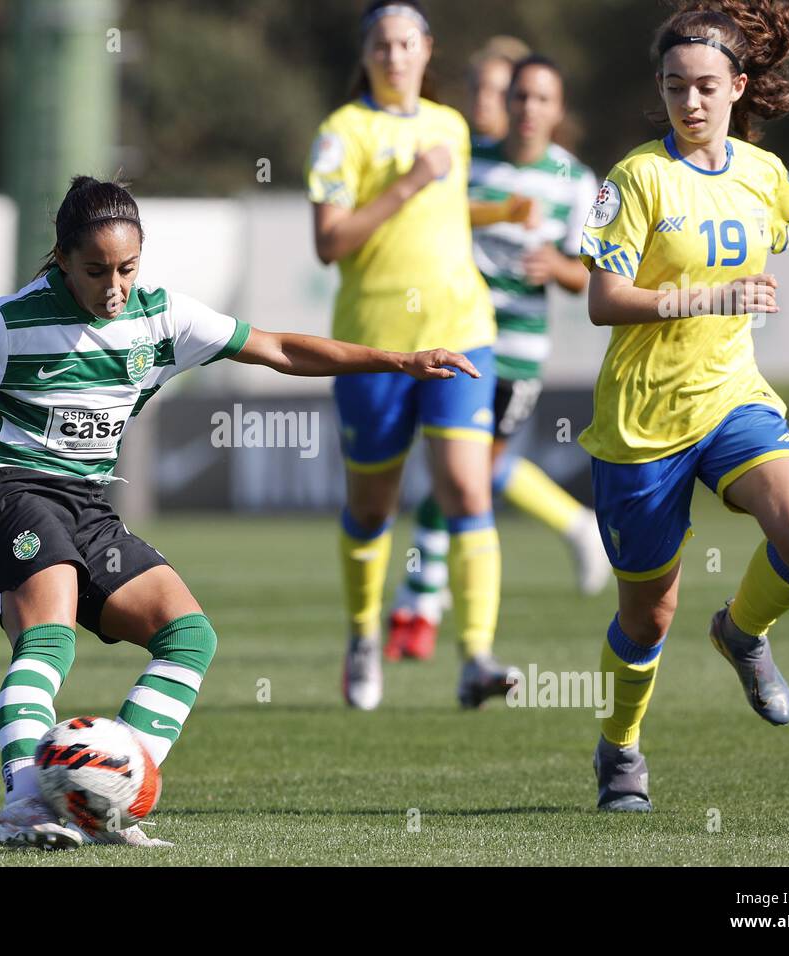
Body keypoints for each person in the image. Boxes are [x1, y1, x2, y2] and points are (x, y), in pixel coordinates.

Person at [0, 175, 479, 848]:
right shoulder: (7, 324)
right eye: (96, 269)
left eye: (127, 268)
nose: (114, 286)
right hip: (14, 491)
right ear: (64, 258)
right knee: (50, 637)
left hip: (86, 504)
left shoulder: (161, 317)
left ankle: (107, 795)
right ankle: (22, 803)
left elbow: (277, 348)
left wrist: (400, 359)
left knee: (190, 637)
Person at [580, 0, 789, 811]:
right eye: (675, 87)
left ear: (739, 85)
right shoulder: (635, 178)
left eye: (706, 86)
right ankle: (621, 751)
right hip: (640, 423)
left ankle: (742, 633)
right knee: (647, 619)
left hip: (731, 399)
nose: (691, 102)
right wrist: (705, 297)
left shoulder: (760, 173)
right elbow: (604, 300)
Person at [306, 0, 509, 711]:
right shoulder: (341, 133)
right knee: (372, 504)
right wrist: (410, 181)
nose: (394, 57)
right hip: (375, 346)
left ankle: (476, 656)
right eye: (381, 46)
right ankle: (364, 637)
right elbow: (330, 241)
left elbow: (446, 219)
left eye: (406, 44)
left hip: (461, 329)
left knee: (466, 489)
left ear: (427, 50)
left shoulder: (450, 125)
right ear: (366, 56)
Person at [388, 51, 612, 666]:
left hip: (515, 356)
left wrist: (558, 267)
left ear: (558, 110)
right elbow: (434, 223)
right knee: (461, 474)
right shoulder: (472, 162)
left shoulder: (575, 181)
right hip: (455, 338)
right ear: (505, 102)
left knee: (470, 474)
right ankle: (424, 605)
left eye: (543, 99)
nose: (530, 109)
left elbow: (587, 276)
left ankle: (423, 603)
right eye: (520, 97)